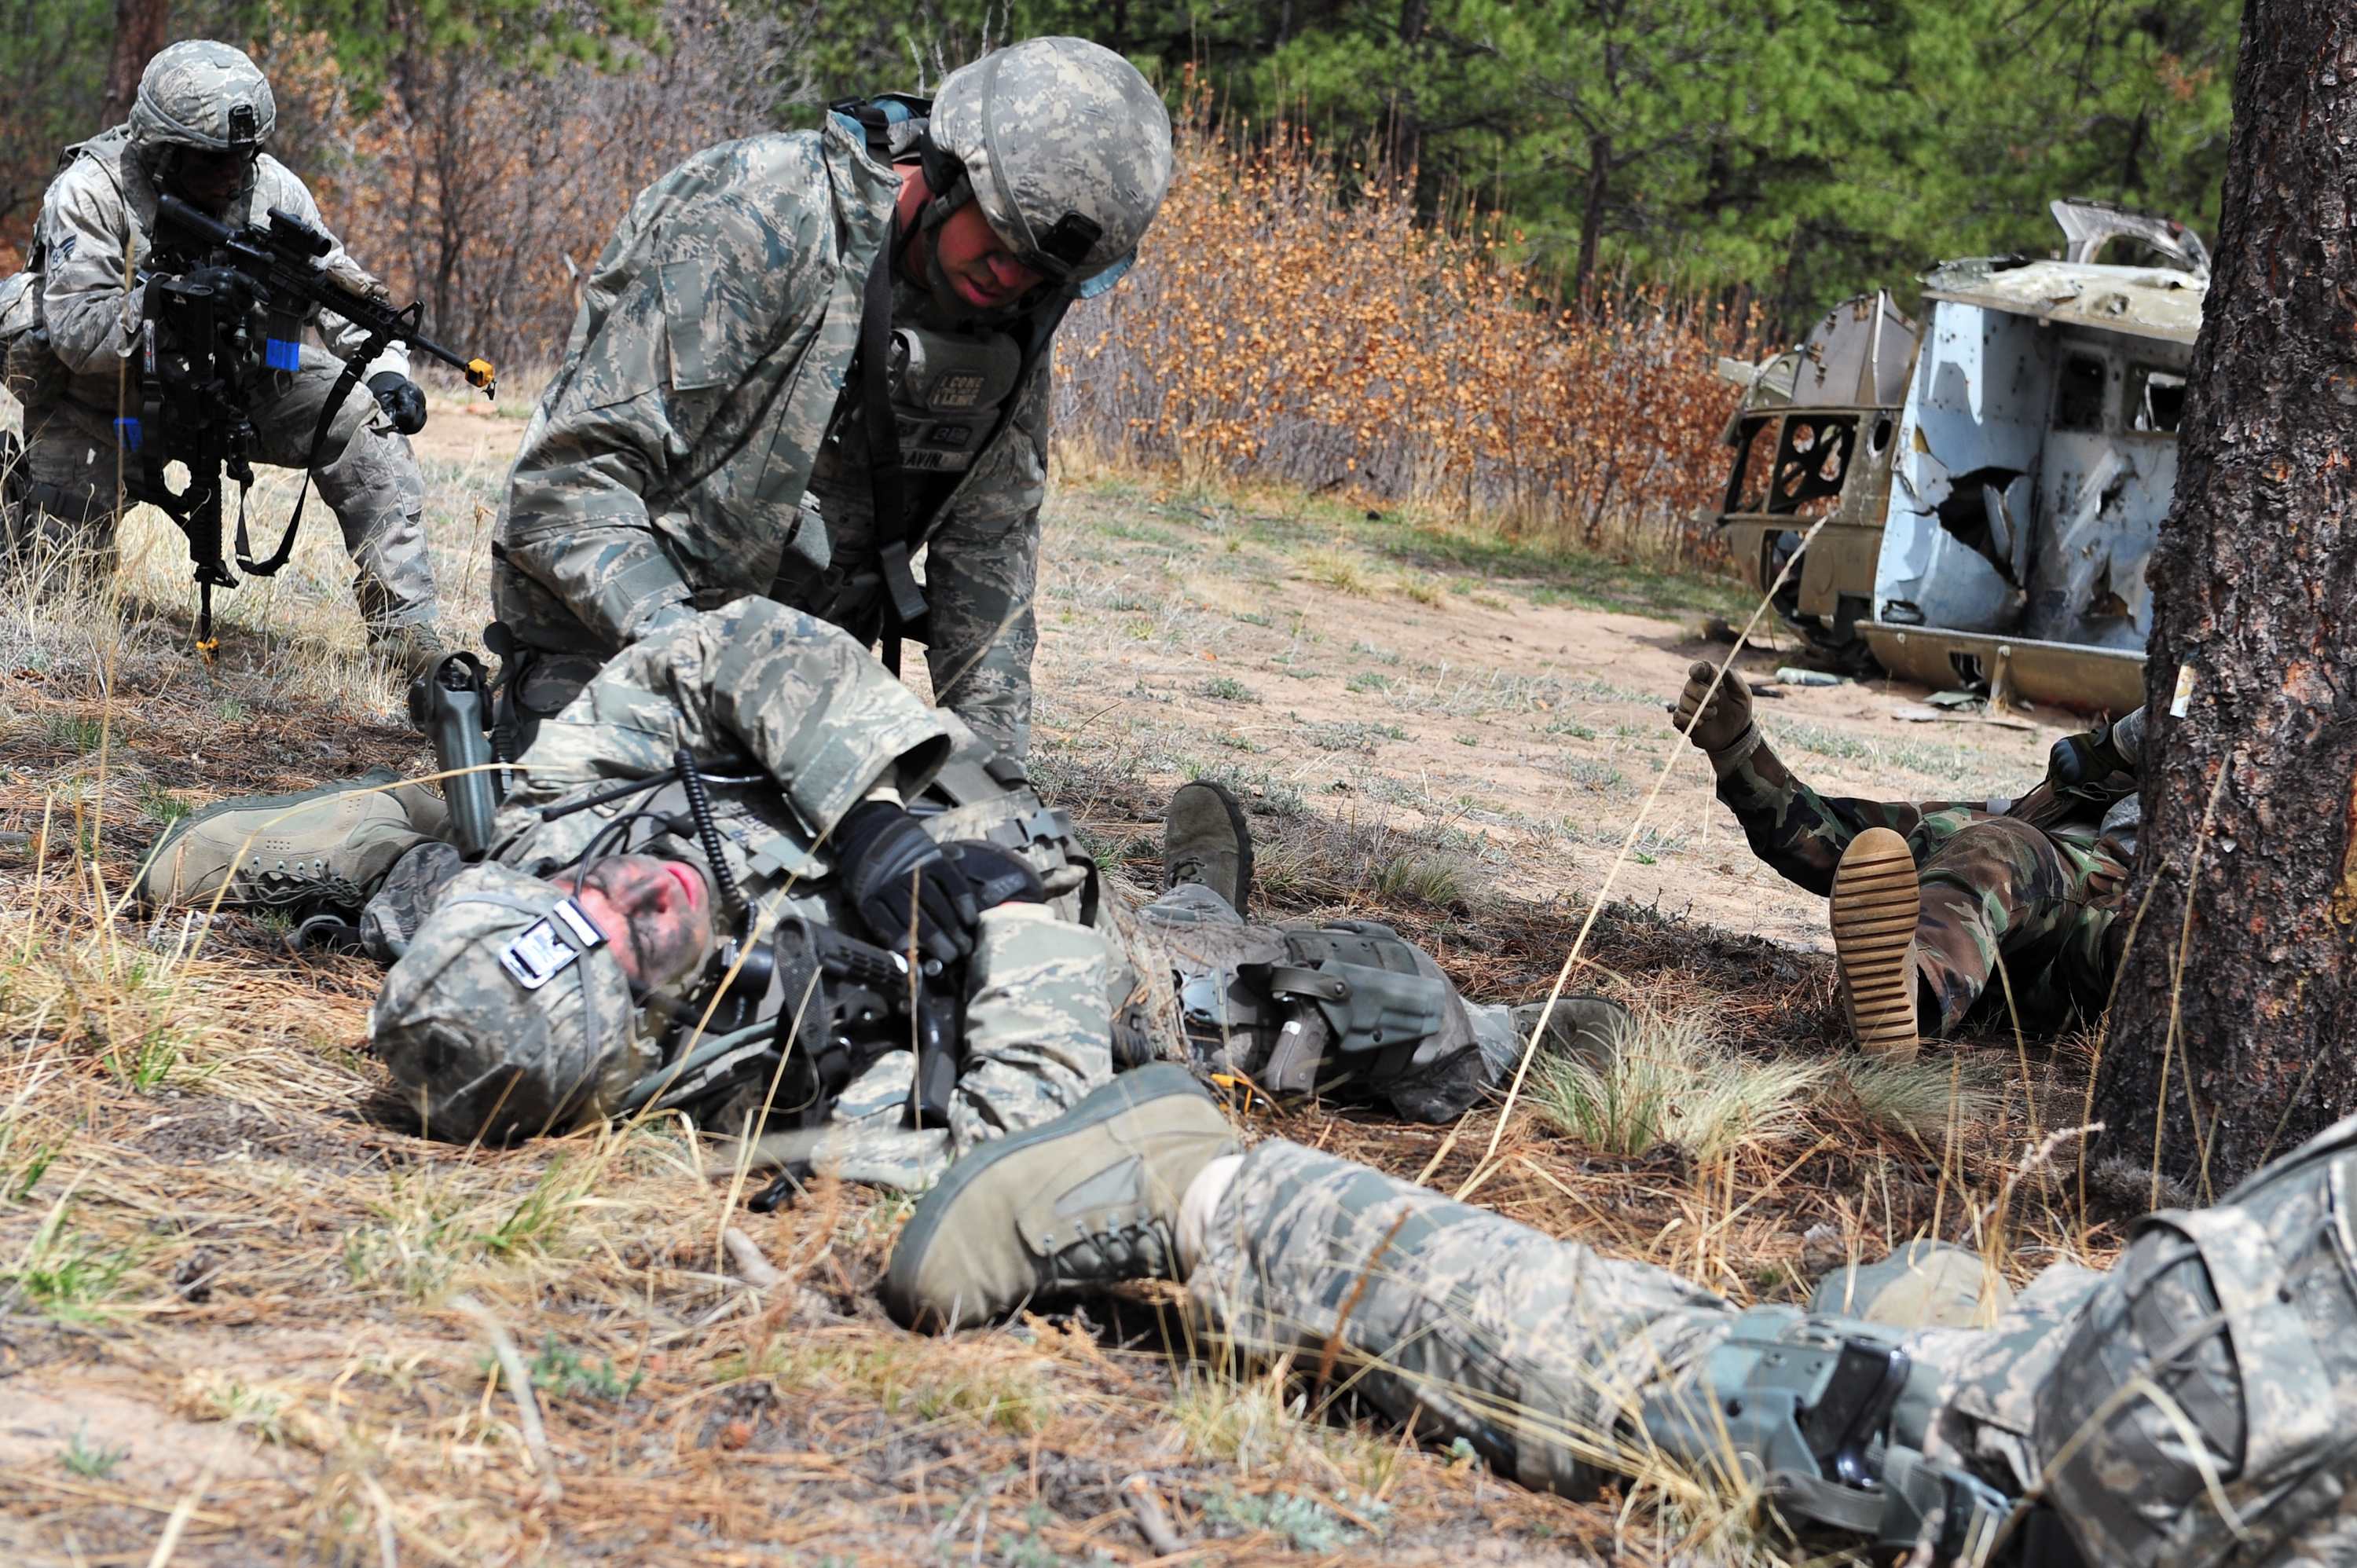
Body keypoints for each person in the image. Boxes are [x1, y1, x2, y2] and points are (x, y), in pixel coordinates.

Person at [135, 604, 1617, 1185]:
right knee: (1345, 999)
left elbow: (726, 648)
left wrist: (872, 824)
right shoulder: (765, 1103)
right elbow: (1024, 1138)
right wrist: (1027, 931)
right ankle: (1499, 1023)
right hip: (1061, 958)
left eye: (588, 894)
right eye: (631, 940)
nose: (636, 891)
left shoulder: (560, 828)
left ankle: (1172, 892)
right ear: (642, 1045)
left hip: (911, 796)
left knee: (383, 837)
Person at [885, 1064, 2357, 1568]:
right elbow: (2207, 1374)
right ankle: (1211, 1191)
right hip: (2188, 1433)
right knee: (1674, 1392)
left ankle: (1927, 1336)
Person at [488, 36, 1174, 760]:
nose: (1009, 278)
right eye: (1001, 239)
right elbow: (564, 488)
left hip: (799, 688)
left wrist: (991, 775)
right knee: (627, 861)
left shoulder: (1010, 311)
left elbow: (988, 549)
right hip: (620, 644)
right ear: (947, 172)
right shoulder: (765, 219)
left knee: (956, 864)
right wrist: (704, 660)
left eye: (1039, 270)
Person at [0, 41, 448, 672]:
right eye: (211, 161)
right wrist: (171, 302)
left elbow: (337, 291)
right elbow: (75, 332)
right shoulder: (90, 192)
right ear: (162, 152)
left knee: (360, 418)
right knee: (52, 599)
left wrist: (388, 371)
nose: (231, 176)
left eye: (243, 157)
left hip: (237, 385)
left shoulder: (274, 191)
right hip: (106, 409)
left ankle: (407, 631)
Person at [1668, 662, 2145, 1058]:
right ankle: (1907, 980)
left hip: (2105, 919)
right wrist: (1739, 750)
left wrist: (2117, 745)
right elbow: (1839, 840)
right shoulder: (2067, 797)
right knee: (1914, 834)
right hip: (2032, 879)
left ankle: (1910, 997)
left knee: (1998, 848)